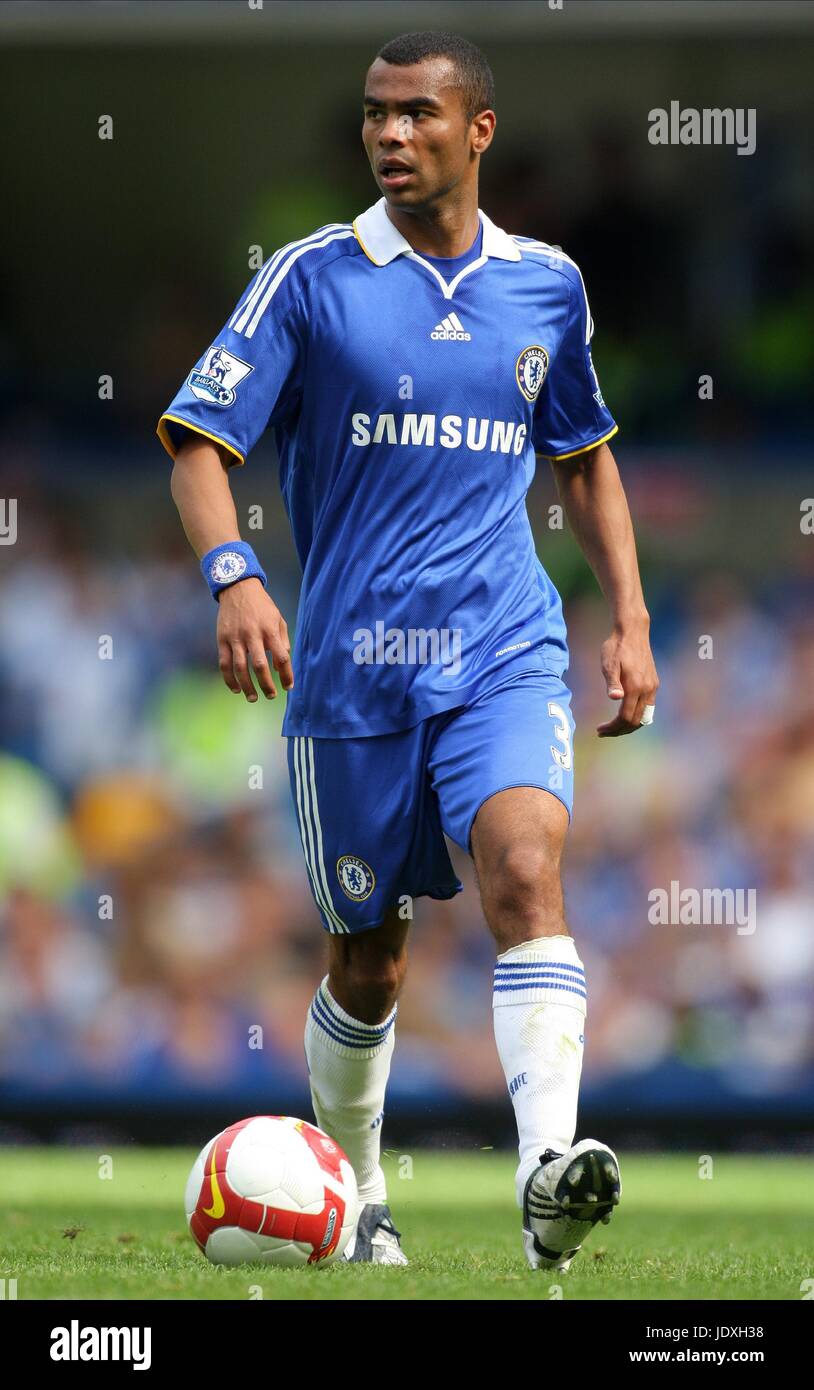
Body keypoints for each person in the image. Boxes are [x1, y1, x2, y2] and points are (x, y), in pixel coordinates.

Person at [159, 30, 659, 1271]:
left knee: (526, 868)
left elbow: (584, 453)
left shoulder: (546, 283)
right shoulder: (309, 279)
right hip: (350, 673)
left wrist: (633, 617)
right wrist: (234, 576)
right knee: (368, 959)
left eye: (418, 115)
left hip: (501, 645)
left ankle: (548, 1172)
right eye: (376, 115)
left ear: (476, 130)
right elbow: (198, 443)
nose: (390, 134)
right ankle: (363, 1189)